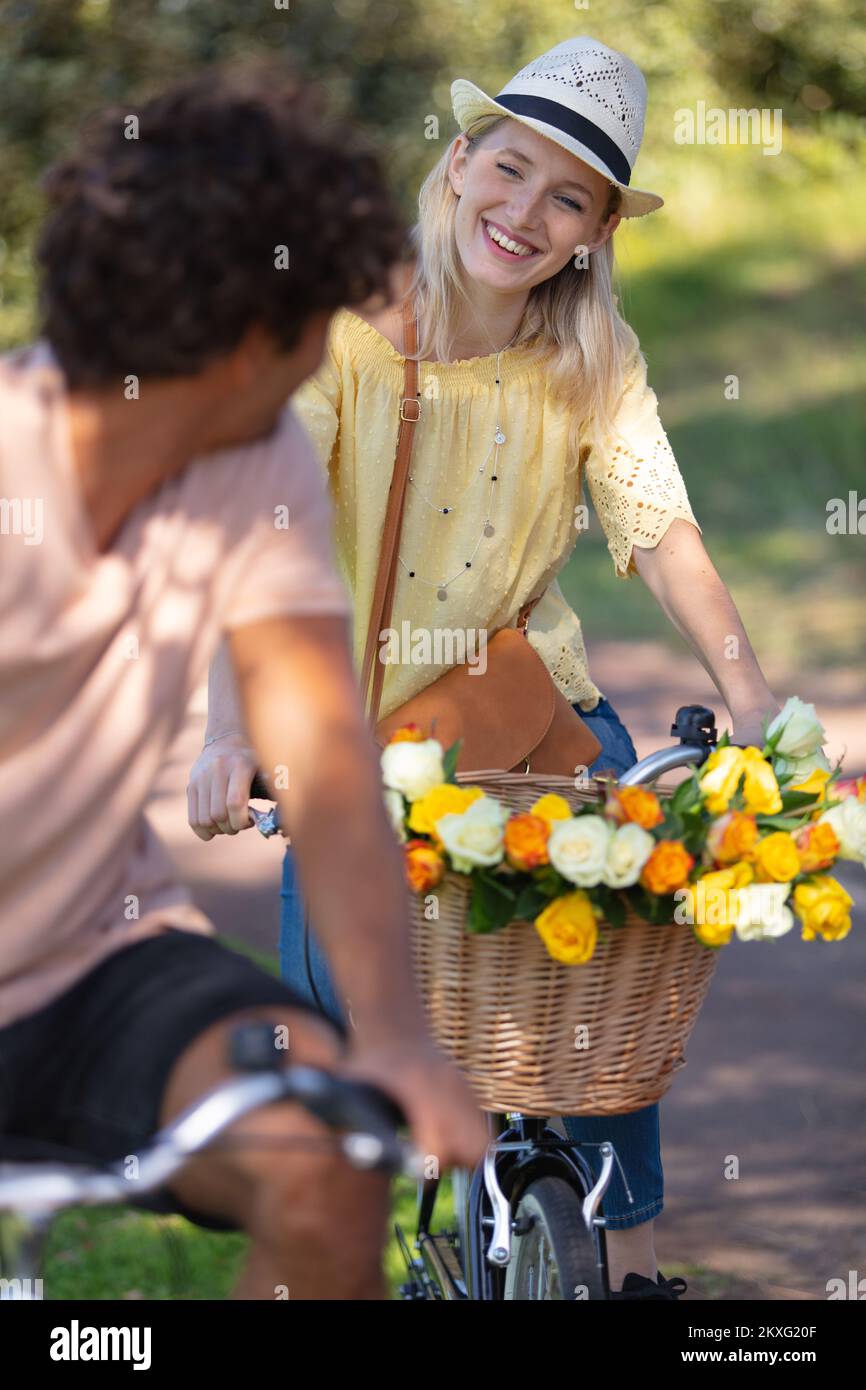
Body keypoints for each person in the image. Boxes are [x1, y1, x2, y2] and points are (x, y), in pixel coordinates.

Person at [189, 37, 783, 1299]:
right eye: (508, 170)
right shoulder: (340, 335)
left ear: (594, 230)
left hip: (536, 717)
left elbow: (661, 533)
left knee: (616, 955)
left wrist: (755, 702)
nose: (524, 212)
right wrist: (223, 730)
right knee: (352, 1050)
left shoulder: (592, 359)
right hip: (353, 756)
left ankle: (632, 1275)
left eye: (565, 196)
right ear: (458, 166)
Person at [0, 63, 489, 1301]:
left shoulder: (254, 452)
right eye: (320, 321)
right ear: (252, 344)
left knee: (323, 1151)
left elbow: (321, 754)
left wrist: (391, 1038)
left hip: (88, 964)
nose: (330, 348)